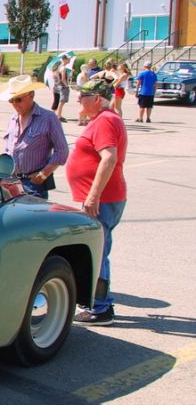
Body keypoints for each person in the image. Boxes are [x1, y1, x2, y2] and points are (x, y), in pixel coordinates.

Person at [69, 78, 128, 326]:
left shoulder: (105, 121)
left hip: (102, 200)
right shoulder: (105, 119)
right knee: (99, 249)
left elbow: (109, 159)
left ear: (98, 99)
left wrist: (93, 195)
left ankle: (101, 308)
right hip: (105, 198)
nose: (78, 99)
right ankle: (98, 305)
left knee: (98, 252)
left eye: (83, 95)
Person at [0, 75, 69, 199]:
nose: (14, 104)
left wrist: (42, 175)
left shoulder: (48, 118)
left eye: (18, 99)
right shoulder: (13, 119)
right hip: (11, 184)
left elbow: (62, 151)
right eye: (11, 100)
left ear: (31, 95)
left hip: (33, 185)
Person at [52, 55, 71, 122]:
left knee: (57, 100)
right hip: (62, 86)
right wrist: (67, 86)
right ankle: (59, 115)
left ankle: (55, 115)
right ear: (64, 59)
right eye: (68, 59)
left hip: (56, 86)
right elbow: (63, 79)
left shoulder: (58, 67)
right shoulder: (63, 68)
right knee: (62, 101)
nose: (69, 60)